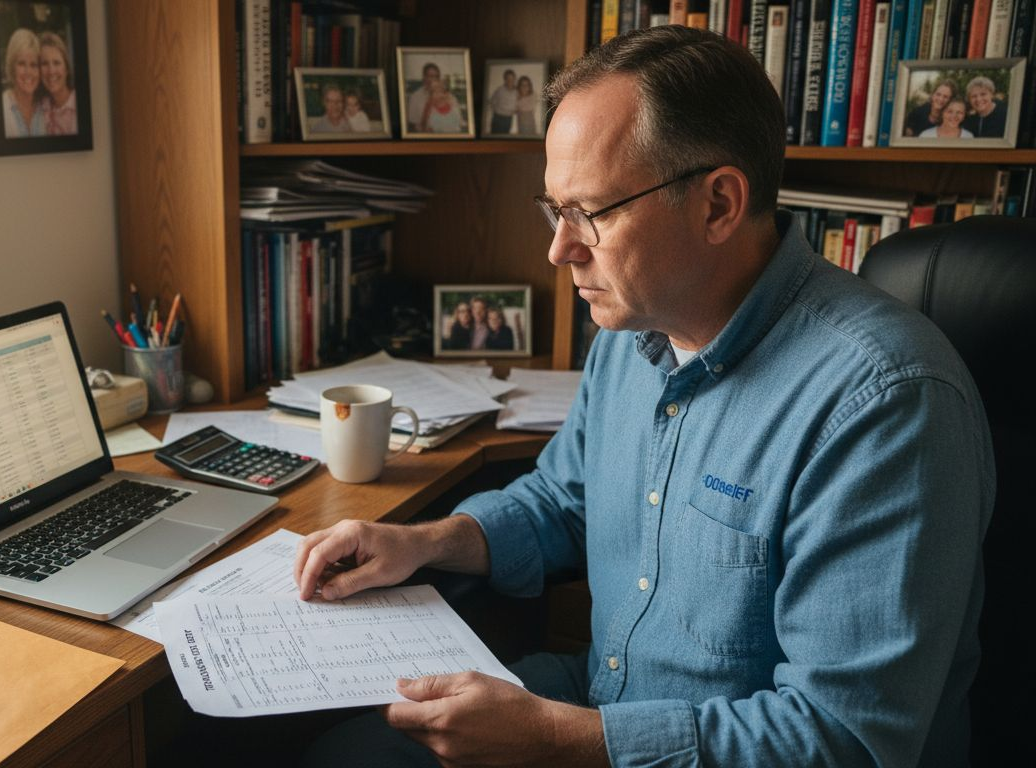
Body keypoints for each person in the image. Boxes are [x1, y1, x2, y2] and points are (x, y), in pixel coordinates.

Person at [298, 25, 992, 768]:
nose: (559, 249)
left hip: (694, 746)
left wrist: (554, 741)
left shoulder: (887, 405)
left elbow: (842, 739)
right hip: (604, 700)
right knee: (343, 755)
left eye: (590, 212)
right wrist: (423, 542)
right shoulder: (634, 329)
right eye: (555, 209)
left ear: (719, 204)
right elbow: (565, 501)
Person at [2, 28, 46, 138]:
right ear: (12, 67)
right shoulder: (2, 107)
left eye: (33, 65)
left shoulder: (46, 107)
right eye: (22, 64)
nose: (28, 72)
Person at [39, 31, 77, 136]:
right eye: (45, 63)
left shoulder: (77, 105)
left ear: (66, 69)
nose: (51, 71)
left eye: (56, 63)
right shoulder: (40, 107)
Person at [407, 63, 441, 132]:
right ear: (424, 77)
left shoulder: (446, 96)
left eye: (436, 77)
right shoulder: (415, 97)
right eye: (430, 76)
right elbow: (412, 124)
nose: (433, 79)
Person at [488, 69, 518, 134]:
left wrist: (516, 110)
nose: (510, 81)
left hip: (508, 118)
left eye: (512, 79)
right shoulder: (500, 90)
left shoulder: (517, 91)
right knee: (494, 135)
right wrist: (495, 109)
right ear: (505, 79)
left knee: (504, 136)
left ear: (514, 79)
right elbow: (492, 101)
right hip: (498, 117)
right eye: (508, 79)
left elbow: (518, 104)